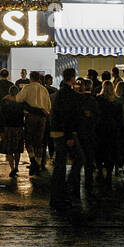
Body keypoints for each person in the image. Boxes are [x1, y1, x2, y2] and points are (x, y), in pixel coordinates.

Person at [49, 69, 86, 210]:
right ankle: (66, 188)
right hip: (65, 133)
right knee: (77, 159)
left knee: (60, 164)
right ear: (73, 78)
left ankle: (57, 195)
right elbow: (68, 115)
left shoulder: (59, 93)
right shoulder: (69, 94)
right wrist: (70, 135)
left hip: (57, 132)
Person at [16, 72, 52, 174]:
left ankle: (33, 161)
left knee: (28, 140)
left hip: (31, 116)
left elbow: (18, 99)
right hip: (42, 118)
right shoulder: (44, 89)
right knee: (39, 142)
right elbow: (48, 106)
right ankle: (39, 163)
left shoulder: (27, 87)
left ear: (31, 78)